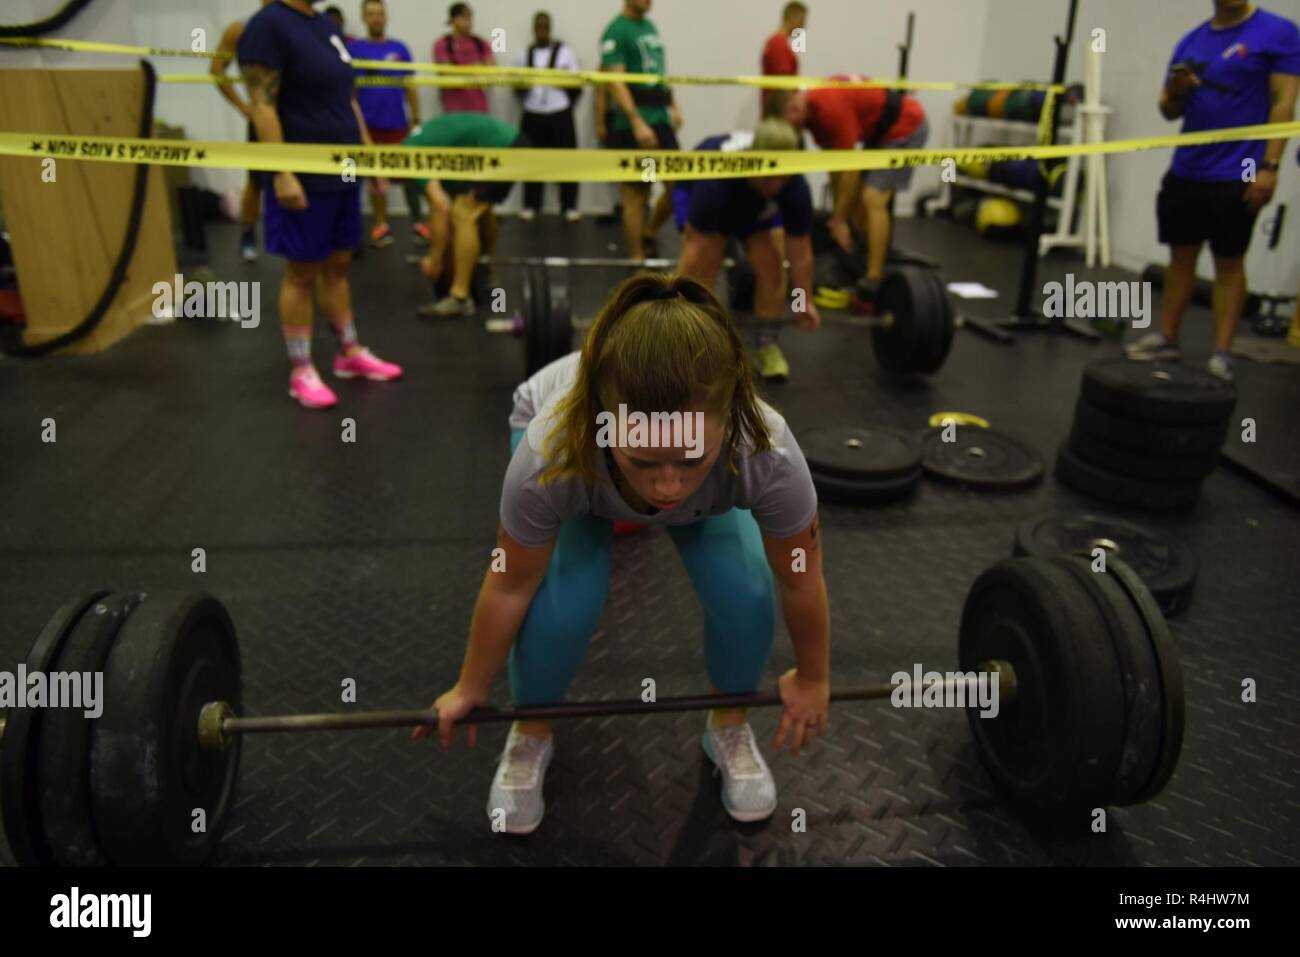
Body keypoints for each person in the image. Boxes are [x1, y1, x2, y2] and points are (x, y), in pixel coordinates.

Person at [417, 273, 830, 834]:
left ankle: (728, 724)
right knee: (566, 603)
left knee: (746, 589)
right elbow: (510, 585)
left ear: (728, 421)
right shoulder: (552, 450)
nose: (666, 488)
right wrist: (471, 687)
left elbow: (800, 579)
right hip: (586, 483)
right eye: (645, 462)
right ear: (605, 424)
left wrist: (811, 677)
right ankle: (532, 730)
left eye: (689, 461)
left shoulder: (764, 449)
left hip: (679, 490)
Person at [239, 0, 403, 410]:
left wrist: (369, 158)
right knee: (302, 271)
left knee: (339, 263)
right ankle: (301, 369)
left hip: (343, 168)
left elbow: (347, 100)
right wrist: (280, 171)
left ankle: (348, 352)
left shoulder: (325, 26)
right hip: (303, 171)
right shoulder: (268, 25)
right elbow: (262, 102)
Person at [1125, 0, 1299, 383]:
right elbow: (1168, 109)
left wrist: (1268, 167)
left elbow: (1284, 104)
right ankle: (1167, 337)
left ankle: (1223, 352)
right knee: (1180, 257)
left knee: (1229, 261)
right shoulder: (1192, 41)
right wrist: (1176, 89)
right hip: (1188, 166)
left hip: (1243, 166)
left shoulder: (1277, 33)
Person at [674, 118, 820, 382]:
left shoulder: (795, 187)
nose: (775, 184)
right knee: (704, 265)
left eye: (781, 177)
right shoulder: (715, 184)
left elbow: (799, 258)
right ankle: (684, 343)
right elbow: (693, 254)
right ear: (754, 159)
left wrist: (802, 302)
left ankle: (766, 346)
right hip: (698, 187)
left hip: (754, 208)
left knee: (773, 265)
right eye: (768, 176)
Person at [784, 80, 930, 307]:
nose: (790, 119)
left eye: (792, 111)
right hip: (879, 132)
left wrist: (839, 220)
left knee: (873, 198)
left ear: (798, 98)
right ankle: (860, 257)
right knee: (856, 206)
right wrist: (840, 215)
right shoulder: (811, 120)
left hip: (906, 125)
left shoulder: (829, 109)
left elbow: (850, 169)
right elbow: (836, 167)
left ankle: (873, 280)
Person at [404, 113, 527, 318]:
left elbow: (440, 207)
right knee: (479, 207)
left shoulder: (408, 156)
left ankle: (459, 297)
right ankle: (486, 268)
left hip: (501, 149)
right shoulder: (419, 143)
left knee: (463, 212)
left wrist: (434, 258)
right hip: (512, 142)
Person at [600, 0, 681, 260]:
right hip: (632, 124)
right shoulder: (616, 31)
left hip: (660, 119)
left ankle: (650, 230)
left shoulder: (650, 27)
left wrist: (673, 105)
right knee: (637, 193)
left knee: (677, 186)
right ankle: (637, 261)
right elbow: (615, 81)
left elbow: (658, 73)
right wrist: (636, 121)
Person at [347, 0, 423, 248]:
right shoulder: (354, 49)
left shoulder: (399, 48)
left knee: (410, 175)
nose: (376, 18)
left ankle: (418, 222)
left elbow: (410, 86)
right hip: (367, 126)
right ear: (364, 18)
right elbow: (349, 91)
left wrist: (416, 119)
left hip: (397, 124)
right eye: (371, 14)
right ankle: (381, 224)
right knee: (374, 179)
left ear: (386, 17)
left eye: (380, 14)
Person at [212, 0, 274, 264]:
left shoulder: (299, 26)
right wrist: (242, 107)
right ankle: (248, 234)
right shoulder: (241, 29)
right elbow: (217, 69)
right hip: (261, 116)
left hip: (298, 118)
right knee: (257, 181)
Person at [516, 11, 583, 223]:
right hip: (533, 113)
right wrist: (524, 82)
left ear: (550, 28)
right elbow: (515, 86)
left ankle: (569, 206)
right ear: (534, 29)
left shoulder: (565, 53)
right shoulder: (523, 55)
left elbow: (577, 83)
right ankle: (531, 205)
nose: (542, 31)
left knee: (567, 161)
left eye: (545, 26)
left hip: (560, 112)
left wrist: (559, 78)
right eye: (538, 27)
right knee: (531, 161)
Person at [433, 2, 495, 116]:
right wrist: (477, 68)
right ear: (453, 20)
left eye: (470, 17)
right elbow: (447, 75)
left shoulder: (481, 43)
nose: (469, 22)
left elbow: (491, 75)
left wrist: (458, 69)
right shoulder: (442, 44)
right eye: (464, 17)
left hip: (480, 110)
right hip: (454, 112)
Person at [760, 2, 806, 114]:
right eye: (802, 22)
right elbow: (783, 87)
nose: (804, 27)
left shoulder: (772, 43)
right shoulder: (779, 46)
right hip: (780, 117)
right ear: (795, 18)